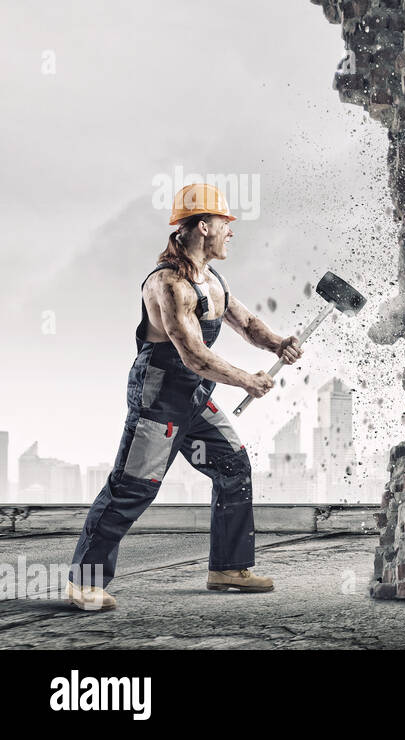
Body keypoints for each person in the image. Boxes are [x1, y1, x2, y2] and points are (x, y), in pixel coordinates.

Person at [66, 182, 303, 611]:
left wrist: (278, 344)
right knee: (132, 488)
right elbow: (194, 355)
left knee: (233, 465)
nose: (231, 231)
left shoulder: (212, 281)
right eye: (224, 223)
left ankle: (227, 568)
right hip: (160, 396)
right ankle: (84, 583)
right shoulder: (168, 284)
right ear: (201, 226)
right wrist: (247, 381)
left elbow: (247, 324)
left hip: (195, 397)